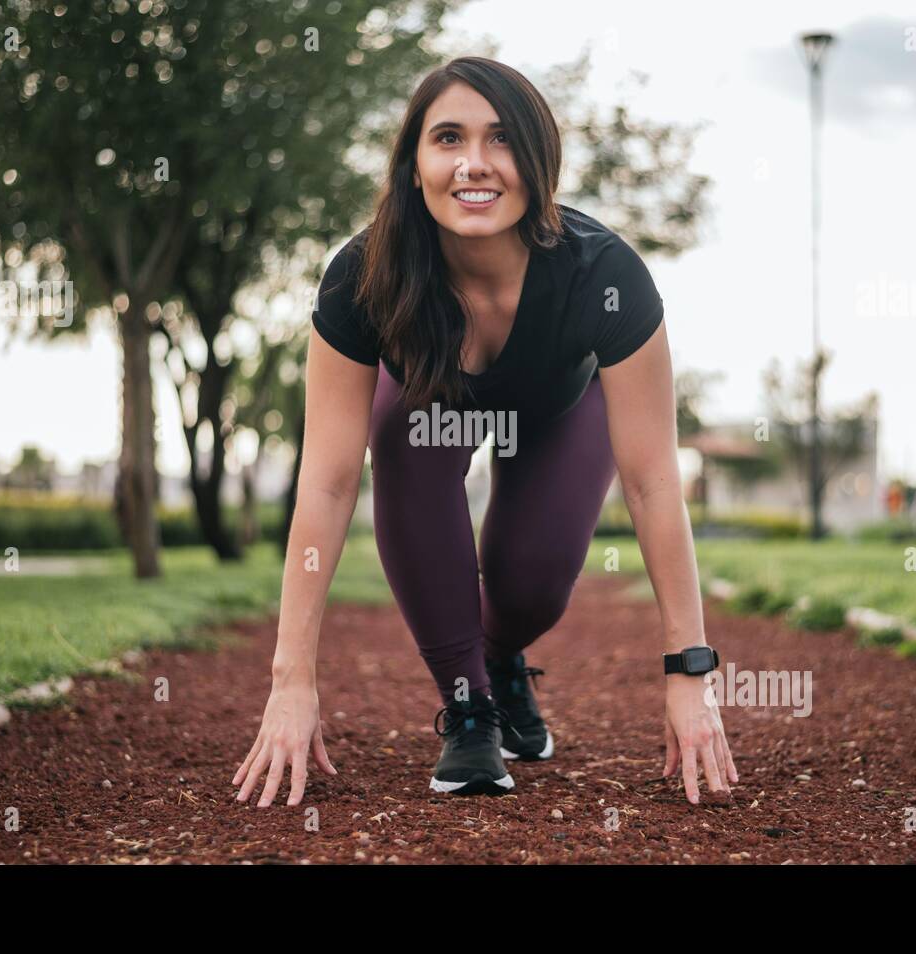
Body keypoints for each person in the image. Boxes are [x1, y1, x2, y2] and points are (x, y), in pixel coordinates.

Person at [232, 55, 736, 805]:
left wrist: (689, 672)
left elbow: (655, 482)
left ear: (540, 162)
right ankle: (470, 707)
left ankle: (499, 658)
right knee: (404, 437)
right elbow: (329, 483)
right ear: (413, 166)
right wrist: (291, 679)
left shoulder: (606, 276)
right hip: (427, 412)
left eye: (502, 139)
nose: (475, 163)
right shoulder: (361, 278)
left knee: (530, 581)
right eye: (448, 139)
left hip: (560, 411)